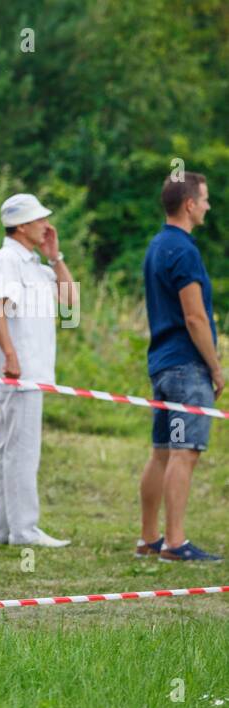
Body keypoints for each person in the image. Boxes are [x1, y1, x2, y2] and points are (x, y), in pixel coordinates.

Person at [0, 193, 78, 548]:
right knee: (22, 450)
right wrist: (10, 356)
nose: (47, 225)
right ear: (21, 226)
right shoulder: (6, 259)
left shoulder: (33, 263)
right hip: (19, 374)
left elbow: (71, 300)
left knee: (9, 447)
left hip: (30, 372)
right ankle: (24, 530)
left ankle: (1, 530)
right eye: (40, 220)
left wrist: (56, 257)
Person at [136, 172, 222, 562]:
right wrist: (216, 367)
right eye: (204, 199)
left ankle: (149, 538)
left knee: (163, 452)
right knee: (184, 452)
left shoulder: (157, 245)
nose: (207, 206)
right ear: (189, 204)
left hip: (162, 366)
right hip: (187, 368)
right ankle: (176, 542)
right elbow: (195, 317)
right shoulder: (185, 251)